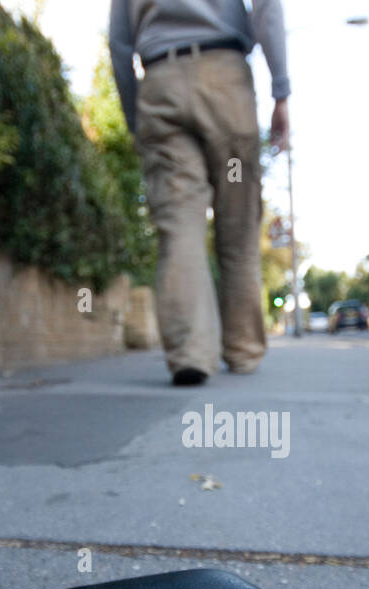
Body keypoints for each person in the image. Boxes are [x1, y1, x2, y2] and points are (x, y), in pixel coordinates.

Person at [109, 0, 291, 386]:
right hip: (224, 84)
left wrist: (135, 120)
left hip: (162, 87)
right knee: (238, 224)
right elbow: (267, 9)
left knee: (180, 224)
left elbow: (120, 43)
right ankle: (242, 350)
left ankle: (190, 353)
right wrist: (281, 90)